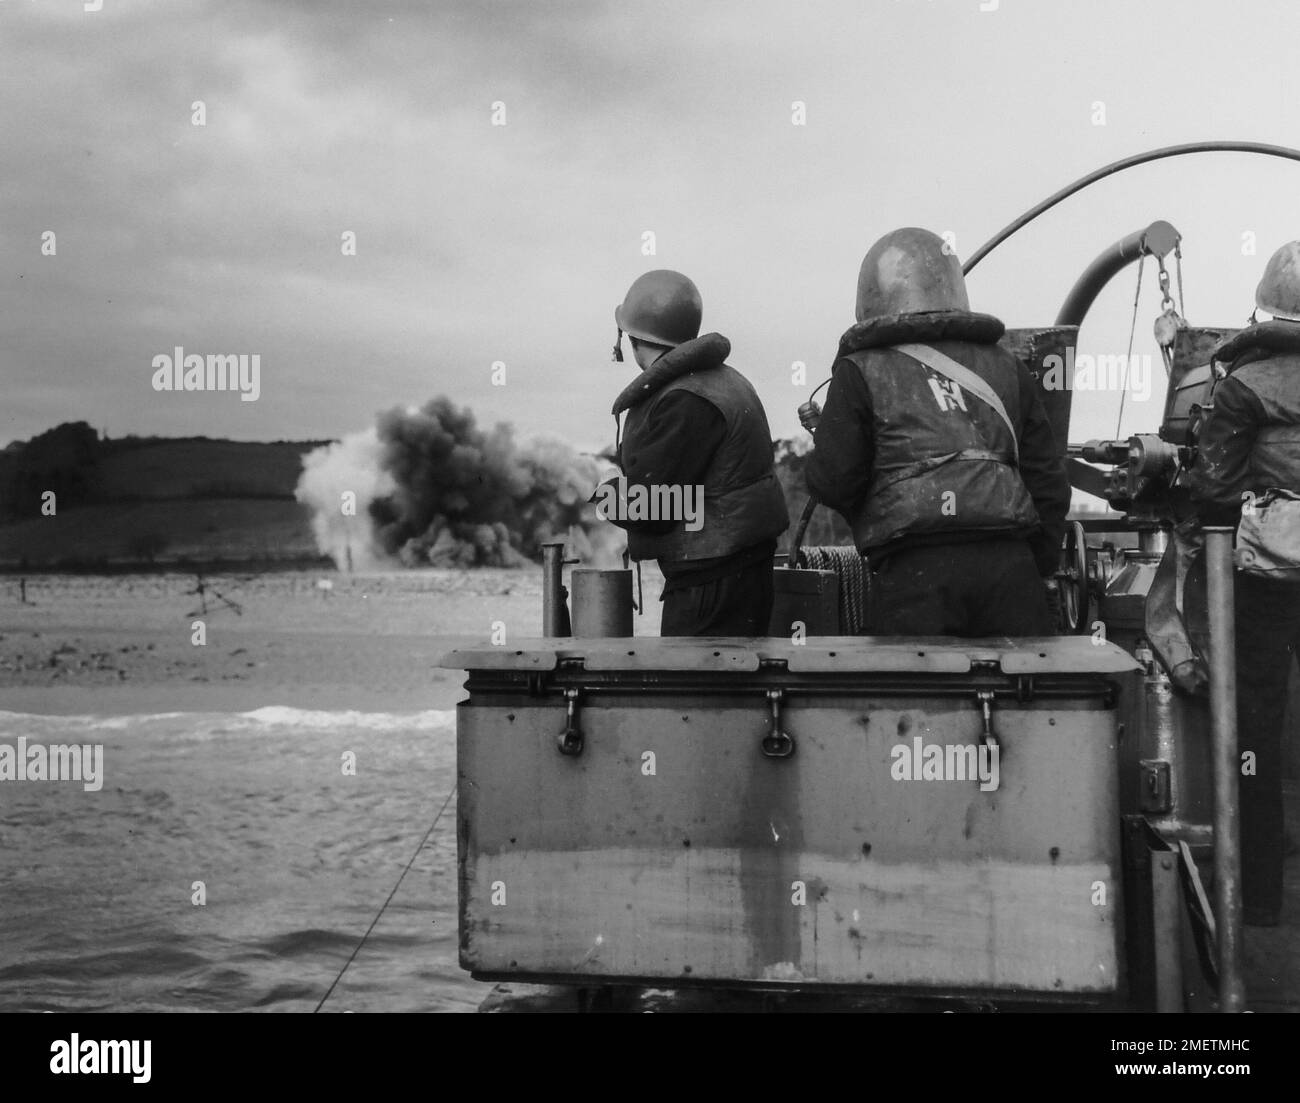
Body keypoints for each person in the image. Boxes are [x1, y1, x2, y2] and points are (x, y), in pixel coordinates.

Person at [805, 227, 1070, 636]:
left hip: (914, 578)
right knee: (1025, 697)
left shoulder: (859, 370)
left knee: (917, 698)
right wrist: (1036, 567)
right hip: (1011, 573)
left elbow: (833, 480)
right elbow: (1049, 483)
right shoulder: (1008, 367)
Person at [1185, 240, 1300, 927]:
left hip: (1263, 582)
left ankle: (1258, 900)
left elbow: (1214, 490)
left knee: (1255, 728)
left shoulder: (1240, 386)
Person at [596, 269, 788, 636]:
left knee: (692, 691)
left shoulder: (683, 400)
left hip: (711, 582)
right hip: (737, 572)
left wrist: (606, 491)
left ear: (634, 338)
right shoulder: (725, 381)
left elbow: (656, 508)